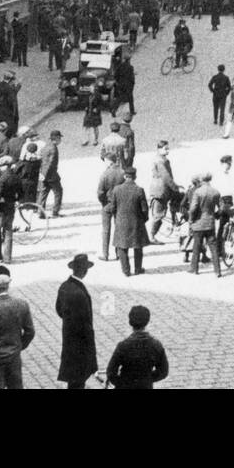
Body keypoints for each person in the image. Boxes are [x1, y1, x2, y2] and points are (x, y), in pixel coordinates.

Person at [0, 271, 35, 389]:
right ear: (7, 287)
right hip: (14, 356)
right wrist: (20, 346)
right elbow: (30, 331)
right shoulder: (21, 304)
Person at [56, 253, 98, 388]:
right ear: (84, 271)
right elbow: (86, 325)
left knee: (73, 376)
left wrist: (68, 319)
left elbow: (58, 309)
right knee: (79, 378)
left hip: (68, 336)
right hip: (81, 343)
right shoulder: (80, 294)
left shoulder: (64, 286)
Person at [106, 305, 170, 389]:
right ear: (147, 321)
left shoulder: (123, 346)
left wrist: (122, 383)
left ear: (130, 321)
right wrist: (148, 379)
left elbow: (111, 372)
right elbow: (163, 371)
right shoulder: (156, 345)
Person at [111, 167, 150, 277]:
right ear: (135, 177)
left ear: (124, 176)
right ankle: (138, 269)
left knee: (122, 246)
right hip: (136, 222)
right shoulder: (139, 190)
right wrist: (143, 220)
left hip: (121, 222)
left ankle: (126, 270)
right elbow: (144, 209)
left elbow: (113, 207)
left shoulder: (116, 189)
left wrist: (117, 218)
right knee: (138, 246)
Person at [96, 155, 124, 263]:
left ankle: (105, 254)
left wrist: (104, 202)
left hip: (107, 205)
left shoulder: (104, 174)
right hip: (119, 204)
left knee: (106, 230)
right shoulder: (122, 173)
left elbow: (100, 192)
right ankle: (119, 254)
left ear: (109, 161)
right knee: (119, 229)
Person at [37, 130, 64, 217]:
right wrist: (45, 175)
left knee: (43, 193)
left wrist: (42, 174)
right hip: (51, 175)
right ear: (56, 138)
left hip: (44, 174)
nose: (60, 140)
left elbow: (41, 159)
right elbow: (50, 163)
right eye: (60, 138)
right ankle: (55, 211)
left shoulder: (46, 146)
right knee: (58, 192)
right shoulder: (53, 148)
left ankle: (40, 212)